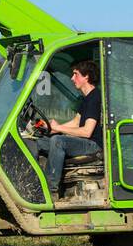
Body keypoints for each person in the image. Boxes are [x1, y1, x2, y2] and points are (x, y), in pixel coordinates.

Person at [31, 60, 102, 197]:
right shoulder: (86, 99)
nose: (72, 78)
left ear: (86, 76)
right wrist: (53, 127)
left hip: (93, 145)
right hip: (83, 142)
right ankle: (33, 182)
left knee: (58, 141)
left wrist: (59, 129)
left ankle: (50, 190)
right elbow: (76, 122)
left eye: (75, 74)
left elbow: (87, 132)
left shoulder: (95, 98)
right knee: (39, 142)